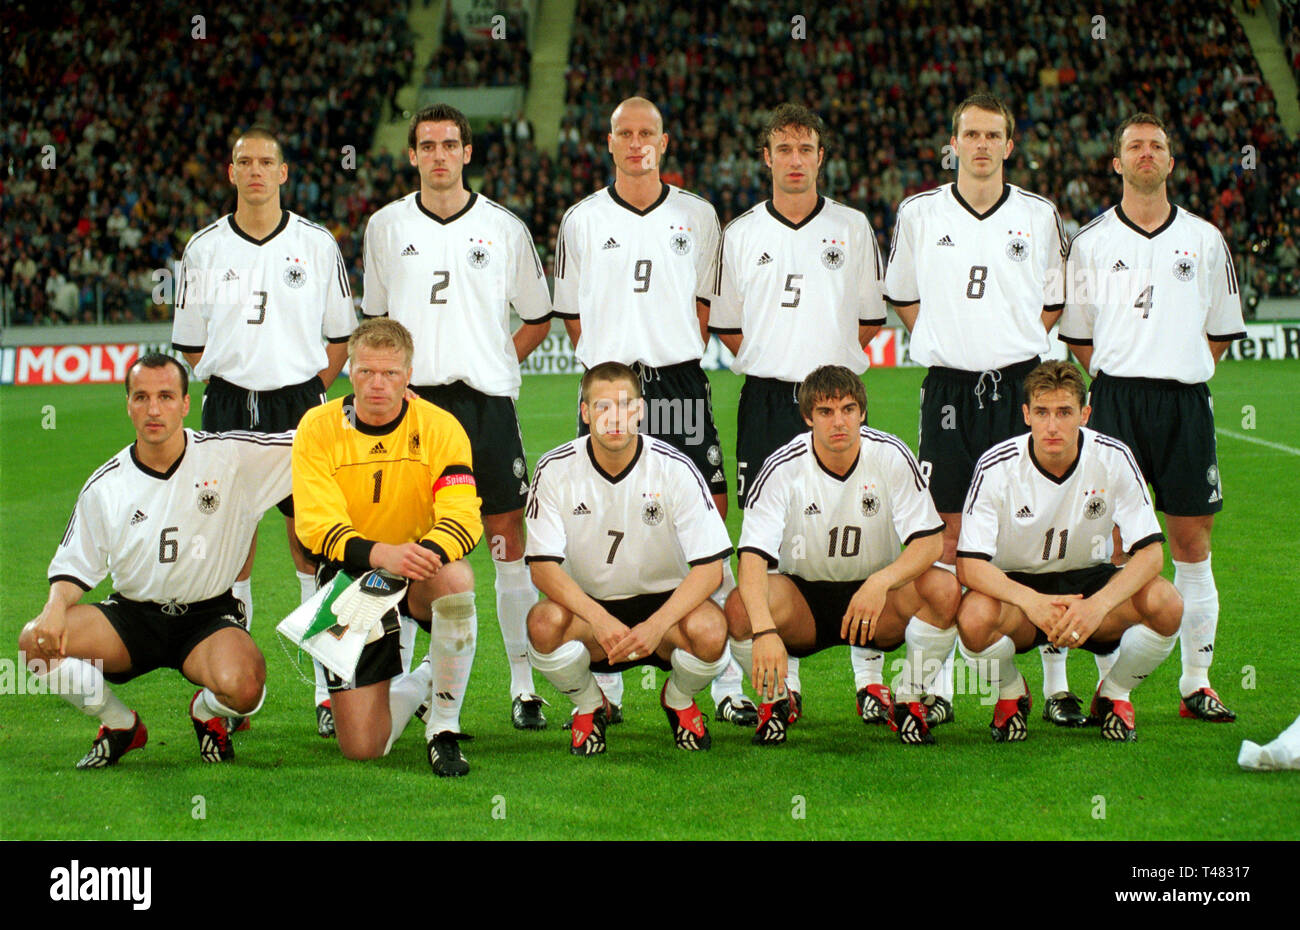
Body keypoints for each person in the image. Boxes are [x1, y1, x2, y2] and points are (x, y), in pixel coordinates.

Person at [883, 93, 1078, 726]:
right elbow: (904, 297)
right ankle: (934, 685)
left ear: (1009, 144)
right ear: (954, 143)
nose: (982, 145)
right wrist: (950, 340)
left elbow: (1052, 303)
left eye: (994, 135)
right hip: (947, 390)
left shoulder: (1039, 214)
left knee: (1031, 531)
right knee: (947, 536)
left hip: (1019, 386)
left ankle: (1056, 685)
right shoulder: (919, 212)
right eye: (971, 135)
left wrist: (1009, 342)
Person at [362, 104, 553, 730]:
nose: (439, 155)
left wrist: (495, 360)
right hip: (413, 411)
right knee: (411, 543)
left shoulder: (503, 227)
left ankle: (523, 686)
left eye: (450, 144)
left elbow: (537, 316)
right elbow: (377, 325)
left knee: (507, 541)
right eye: (427, 146)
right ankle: (407, 683)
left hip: (486, 407)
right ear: (412, 155)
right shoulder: (386, 226)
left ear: (467, 152)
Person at [1059, 113, 1247, 722]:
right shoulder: (1090, 242)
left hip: (1185, 404)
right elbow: (1079, 337)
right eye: (1135, 146)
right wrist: (1128, 368)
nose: (1147, 153)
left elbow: (1219, 331)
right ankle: (1113, 688)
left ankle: (1197, 683)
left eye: (1157, 145)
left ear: (1170, 160)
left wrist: (1178, 366)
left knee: (1192, 543)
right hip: (1115, 403)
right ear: (1117, 162)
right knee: (1112, 545)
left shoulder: (1205, 239)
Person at [552, 96, 735, 717]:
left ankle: (722, 678)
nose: (636, 143)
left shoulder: (698, 215)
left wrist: (667, 350)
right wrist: (612, 374)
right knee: (601, 517)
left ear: (664, 142)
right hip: (611, 388)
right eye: (624, 133)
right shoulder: (581, 219)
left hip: (679, 381)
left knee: (708, 514)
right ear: (609, 142)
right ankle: (606, 677)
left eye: (646, 133)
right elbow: (573, 314)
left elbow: (705, 307)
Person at [171, 126, 357, 737]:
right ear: (231, 173)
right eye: (244, 161)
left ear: (283, 172)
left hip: (300, 407)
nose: (255, 171)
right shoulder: (203, 249)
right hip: (227, 407)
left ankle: (328, 690)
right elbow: (191, 345)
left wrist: (307, 389)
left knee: (317, 544)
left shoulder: (316, 243)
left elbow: (341, 335)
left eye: (266, 161)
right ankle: (234, 690)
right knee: (230, 548)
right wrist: (241, 373)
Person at [19, 354, 292, 767]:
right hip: (132, 620)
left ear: (185, 403)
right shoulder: (107, 484)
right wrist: (54, 608)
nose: (153, 409)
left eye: (165, 396)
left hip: (207, 619)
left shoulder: (232, 457)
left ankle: (206, 712)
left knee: (246, 688)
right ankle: (121, 725)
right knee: (35, 643)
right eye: (141, 397)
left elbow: (308, 442)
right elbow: (74, 565)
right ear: (128, 405)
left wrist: (365, 404)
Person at [710, 103, 889, 728]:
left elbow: (869, 320)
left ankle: (870, 680)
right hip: (766, 399)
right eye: (782, 149)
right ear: (766, 158)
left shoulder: (852, 227)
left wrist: (822, 380)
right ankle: (781, 682)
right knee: (772, 539)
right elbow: (729, 324)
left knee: (859, 526)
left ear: (820, 157)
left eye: (805, 148)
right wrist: (775, 360)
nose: (794, 160)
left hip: (834, 399)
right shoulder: (740, 233)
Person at [724, 366, 959, 745]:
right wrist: (765, 631)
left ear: (862, 412)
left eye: (848, 409)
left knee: (944, 590)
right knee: (739, 609)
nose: (839, 422)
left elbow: (930, 543)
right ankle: (776, 700)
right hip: (803, 601)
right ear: (807, 417)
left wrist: (880, 583)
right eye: (826, 412)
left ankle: (908, 698)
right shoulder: (782, 466)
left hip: (876, 602)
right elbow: (751, 560)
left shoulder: (890, 455)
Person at [291, 319, 483, 776]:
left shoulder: (440, 426)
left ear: (408, 374)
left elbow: (463, 515)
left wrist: (417, 555)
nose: (377, 384)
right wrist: (381, 555)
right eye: (366, 372)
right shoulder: (317, 427)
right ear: (350, 371)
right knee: (363, 747)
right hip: (350, 578)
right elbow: (315, 528)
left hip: (418, 569)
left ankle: (443, 727)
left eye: (390, 373)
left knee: (456, 579)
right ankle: (424, 678)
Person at [955, 360, 1183, 742]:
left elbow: (1151, 554)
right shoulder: (996, 465)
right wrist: (1031, 602)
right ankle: (1011, 693)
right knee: (974, 618)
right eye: (1042, 412)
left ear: (1085, 414)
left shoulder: (1113, 456)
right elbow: (969, 566)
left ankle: (1114, 693)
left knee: (1167, 603)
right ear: (1026, 414)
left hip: (1088, 585)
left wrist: (1098, 606)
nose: (1052, 426)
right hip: (1019, 591)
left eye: (1064, 412)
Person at [524, 362, 733, 755]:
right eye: (603, 407)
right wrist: (599, 618)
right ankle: (591, 704)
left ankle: (678, 699)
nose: (614, 417)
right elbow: (542, 568)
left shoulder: (675, 466)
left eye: (624, 406)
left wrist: (656, 625)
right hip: (590, 613)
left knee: (710, 629)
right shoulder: (554, 468)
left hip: (665, 610)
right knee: (543, 623)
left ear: (640, 410)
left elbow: (709, 570)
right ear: (585, 413)